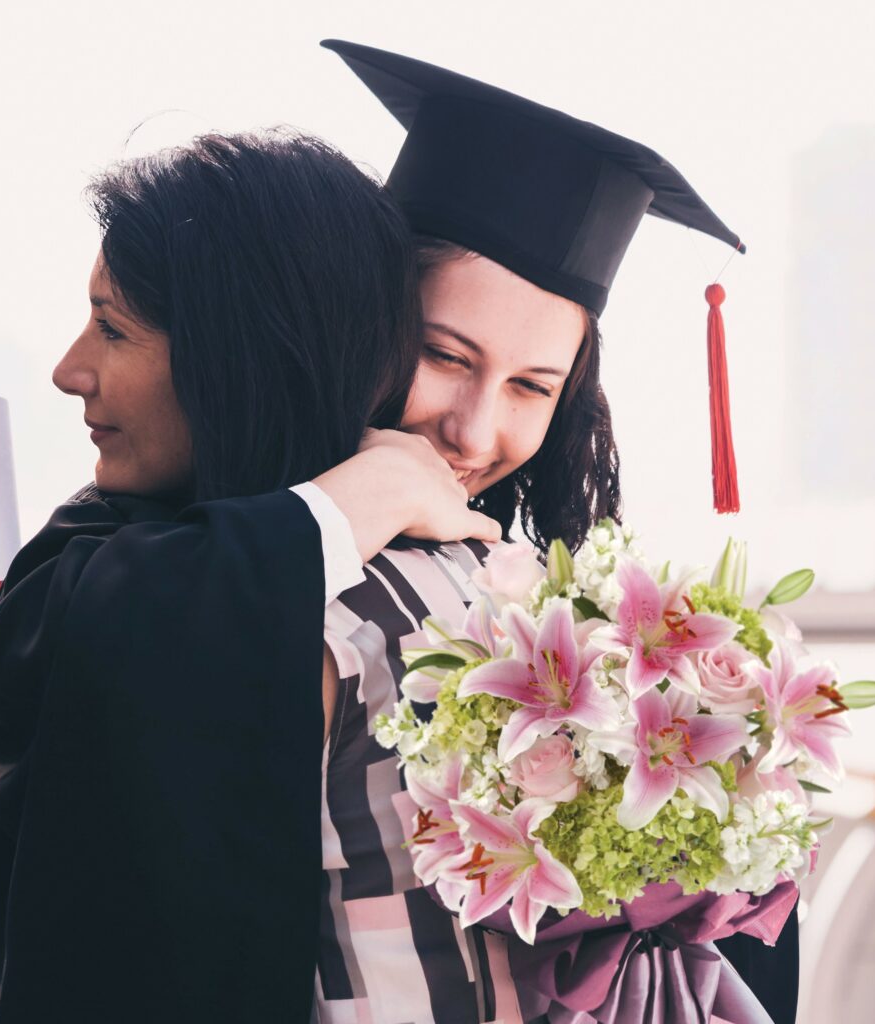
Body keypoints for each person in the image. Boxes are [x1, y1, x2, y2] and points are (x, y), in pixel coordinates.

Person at [0, 129, 502, 1023]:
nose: (68, 370)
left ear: (235, 358)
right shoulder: (112, 551)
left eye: (114, 328)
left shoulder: (429, 606)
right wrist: (344, 502)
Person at [310, 40, 797, 1024]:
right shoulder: (277, 569)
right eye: (443, 357)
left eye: (531, 386)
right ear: (365, 319)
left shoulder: (527, 586)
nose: (475, 430)